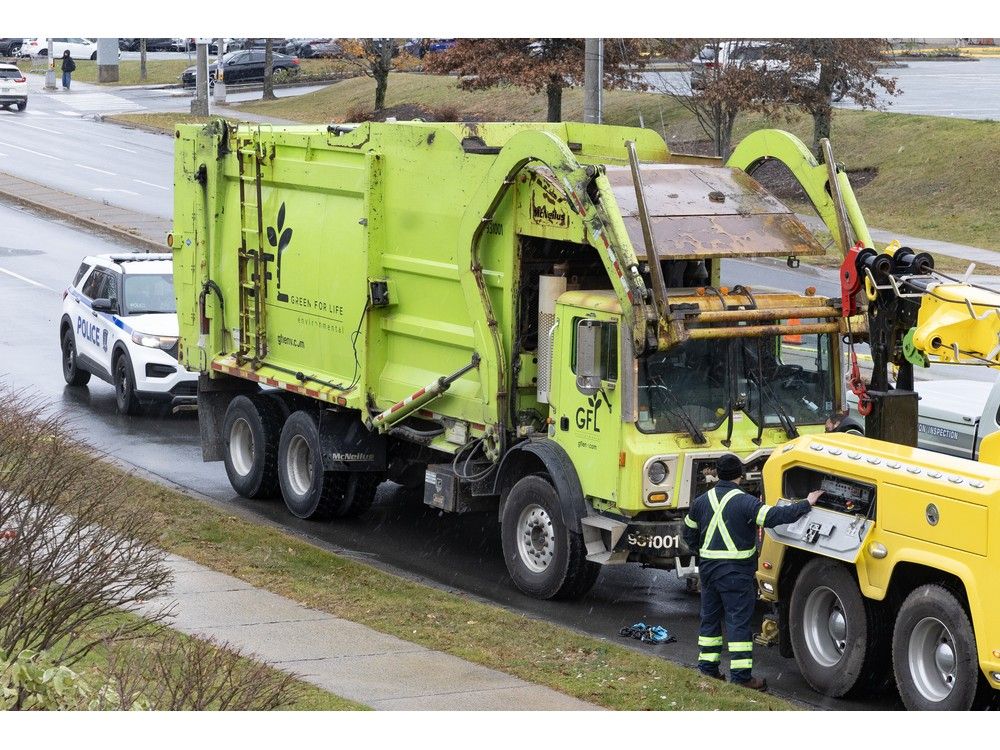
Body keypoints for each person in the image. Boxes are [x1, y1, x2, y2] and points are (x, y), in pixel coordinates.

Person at [682, 453, 821, 691]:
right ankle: (741, 677)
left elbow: (688, 534)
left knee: (710, 620)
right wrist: (807, 503)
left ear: (716, 474)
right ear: (740, 475)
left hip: (708, 571)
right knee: (737, 622)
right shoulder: (746, 502)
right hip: (736, 573)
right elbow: (776, 517)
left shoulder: (701, 501)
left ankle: (707, 670)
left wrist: (706, 553)